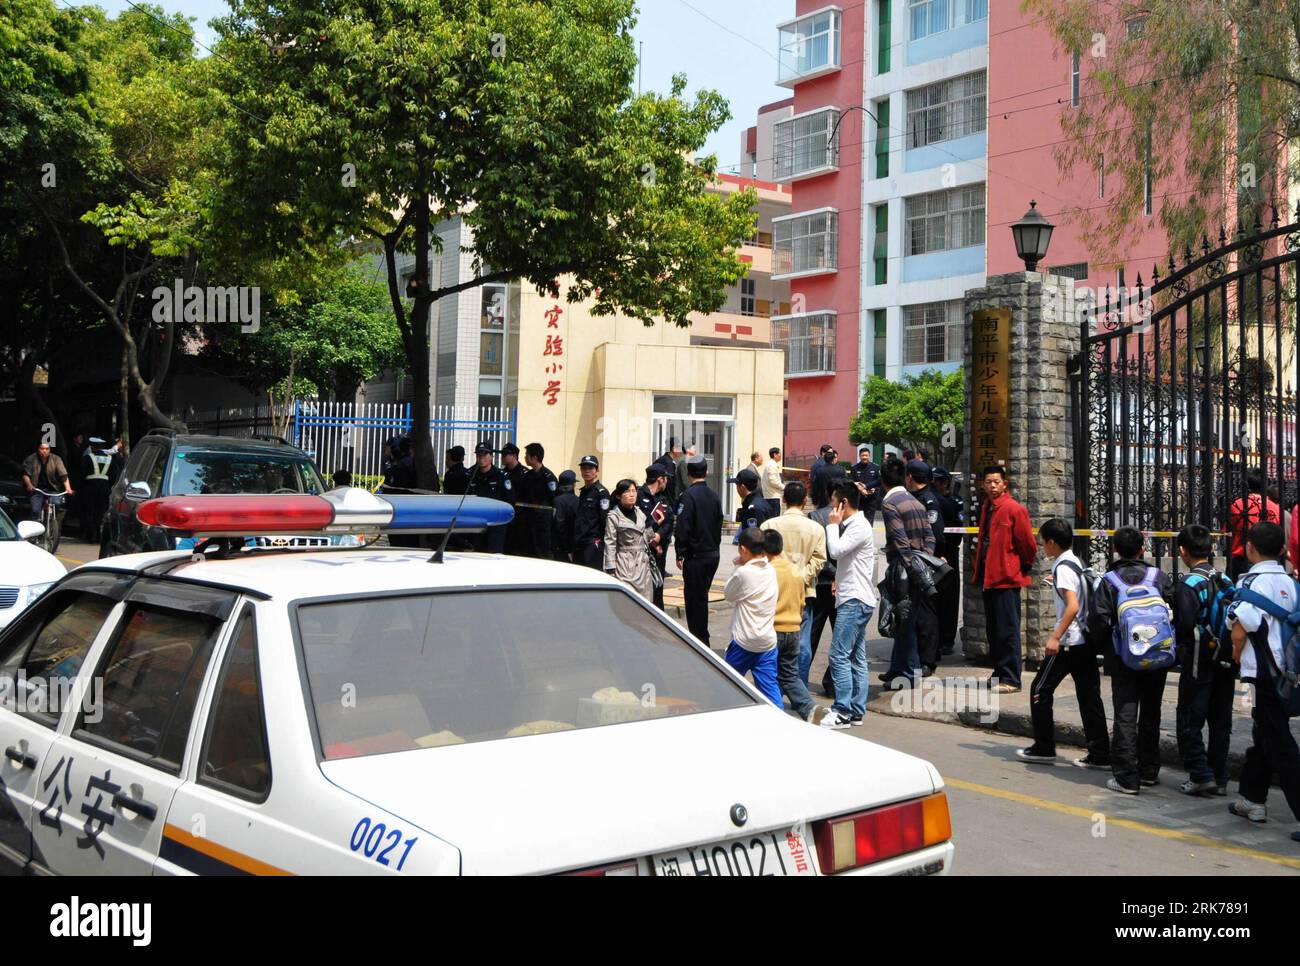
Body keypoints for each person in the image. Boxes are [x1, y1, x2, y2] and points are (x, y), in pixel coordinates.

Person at [1017, 518, 1111, 768]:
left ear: (1051, 542)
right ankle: (1100, 753)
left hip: (1070, 642)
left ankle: (1044, 747)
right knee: (1089, 696)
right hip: (1085, 641)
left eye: (1043, 542)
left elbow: (1073, 605)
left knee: (1039, 689)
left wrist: (1055, 637)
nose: (1042, 547)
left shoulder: (1063, 567)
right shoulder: (1075, 561)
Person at [1090, 526, 1175, 795]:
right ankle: (1149, 769)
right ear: (1143, 549)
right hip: (1158, 656)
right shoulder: (1157, 577)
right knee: (1151, 713)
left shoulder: (1109, 581)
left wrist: (1105, 649)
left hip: (1123, 658)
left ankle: (1127, 777)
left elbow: (1099, 622)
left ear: (1116, 549)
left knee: (1125, 715)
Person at [1227, 521, 1300, 836]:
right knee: (1266, 732)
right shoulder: (1292, 583)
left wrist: (1234, 652)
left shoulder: (1253, 582)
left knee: (1280, 743)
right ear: (1283, 550)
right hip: (1289, 673)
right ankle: (1252, 798)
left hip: (1262, 675)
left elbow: (1242, 626)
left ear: (1250, 549)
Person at [1174, 524, 1236, 796]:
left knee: (1190, 717)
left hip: (1199, 660)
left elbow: (1185, 625)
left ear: (1182, 551)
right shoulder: (1225, 579)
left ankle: (1200, 773)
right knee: (1220, 720)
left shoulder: (1188, 583)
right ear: (1210, 549)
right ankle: (1220, 777)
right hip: (1225, 658)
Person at [972, 465, 1037, 693]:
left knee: (1007, 630)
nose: (992, 486)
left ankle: (1011, 678)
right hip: (990, 578)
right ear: (983, 484)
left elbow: (1028, 545)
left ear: (1004, 484)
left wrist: (1019, 567)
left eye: (996, 482)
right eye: (988, 481)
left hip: (1007, 579)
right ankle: (1000, 671)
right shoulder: (987, 507)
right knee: (994, 630)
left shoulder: (1013, 509)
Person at [820, 481, 877, 729]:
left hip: (854, 600)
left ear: (844, 503)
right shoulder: (856, 525)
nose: (831, 507)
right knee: (855, 656)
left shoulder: (858, 526)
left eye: (834, 501)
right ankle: (855, 710)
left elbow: (835, 551)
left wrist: (832, 527)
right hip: (855, 596)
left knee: (839, 655)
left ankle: (842, 710)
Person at [761, 481, 827, 691]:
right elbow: (819, 560)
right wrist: (800, 577)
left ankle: (773, 688)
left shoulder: (769, 526)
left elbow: (761, 557)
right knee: (802, 642)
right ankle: (799, 686)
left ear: (783, 500)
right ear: (804, 501)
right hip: (803, 592)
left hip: (772, 590)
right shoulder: (816, 529)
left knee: (771, 640)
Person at [879, 458, 939, 688]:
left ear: (883, 480)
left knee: (903, 619)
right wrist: (924, 559)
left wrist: (913, 567)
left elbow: (900, 541)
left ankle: (908, 672)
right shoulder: (915, 501)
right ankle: (897, 668)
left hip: (903, 568)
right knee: (905, 617)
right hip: (917, 566)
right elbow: (930, 536)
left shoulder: (890, 503)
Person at [722, 526, 781, 706]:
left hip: (744, 641)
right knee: (770, 690)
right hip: (767, 642)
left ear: (743, 549)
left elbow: (729, 594)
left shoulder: (744, 572)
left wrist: (738, 565)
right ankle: (779, 720)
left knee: (727, 684)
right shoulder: (770, 570)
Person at [764, 529, 817, 721]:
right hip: (794, 629)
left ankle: (771, 712)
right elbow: (802, 601)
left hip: (774, 629)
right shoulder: (795, 569)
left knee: (768, 674)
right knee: (789, 675)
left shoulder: (768, 571)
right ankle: (811, 710)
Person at [675, 454, 723, 646]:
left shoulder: (687, 496)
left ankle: (699, 641)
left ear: (688, 474)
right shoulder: (714, 496)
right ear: (707, 472)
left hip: (696, 557)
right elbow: (719, 523)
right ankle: (701, 638)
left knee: (695, 601)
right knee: (702, 596)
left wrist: (680, 552)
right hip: (712, 554)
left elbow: (683, 527)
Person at [931, 467, 964, 656]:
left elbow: (957, 527)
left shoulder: (952, 502)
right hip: (934, 553)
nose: (933, 484)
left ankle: (947, 640)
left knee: (949, 599)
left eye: (936, 481)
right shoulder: (934, 500)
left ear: (944, 483)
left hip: (949, 553)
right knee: (934, 597)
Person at [604, 479, 654, 600]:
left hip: (642, 563)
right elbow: (610, 542)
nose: (632, 494)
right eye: (627, 491)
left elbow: (644, 537)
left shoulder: (641, 513)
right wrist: (610, 567)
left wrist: (654, 527)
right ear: (618, 496)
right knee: (626, 600)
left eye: (634, 491)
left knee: (645, 602)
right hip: (624, 563)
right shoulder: (613, 516)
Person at [1227, 467, 1280, 581]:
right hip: (1268, 559)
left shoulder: (1237, 505)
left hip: (1241, 558)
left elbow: (1227, 531)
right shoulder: (1274, 507)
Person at [807, 499, 838, 692]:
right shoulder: (848, 518)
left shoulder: (815, 516)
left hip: (819, 583)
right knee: (840, 638)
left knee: (810, 634)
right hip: (839, 584)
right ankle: (832, 682)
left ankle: (798, 678)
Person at [637, 466, 675, 609]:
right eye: (666, 479)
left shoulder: (663, 499)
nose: (667, 482)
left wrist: (659, 535)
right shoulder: (639, 496)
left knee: (658, 588)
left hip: (659, 553)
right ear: (660, 480)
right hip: (641, 552)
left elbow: (669, 521)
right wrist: (651, 536)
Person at [465, 442, 508, 553]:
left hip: (495, 525)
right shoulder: (471, 476)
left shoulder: (500, 476)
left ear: (491, 456)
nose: (481, 458)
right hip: (477, 524)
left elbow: (508, 501)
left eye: (484, 455)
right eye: (479, 455)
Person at [517, 442, 557, 559]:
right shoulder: (527, 476)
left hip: (543, 521)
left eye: (526, 455)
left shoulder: (548, 477)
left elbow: (553, 498)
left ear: (534, 458)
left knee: (543, 549)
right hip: (529, 520)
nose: (525, 458)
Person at [573, 454, 611, 569]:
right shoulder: (583, 491)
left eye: (590, 468)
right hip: (580, 541)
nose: (586, 471)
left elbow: (604, 520)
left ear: (597, 470)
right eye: (584, 468)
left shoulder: (602, 493)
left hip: (593, 543)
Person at [22, 440, 72, 521]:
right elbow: (26, 475)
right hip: (37, 489)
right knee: (35, 510)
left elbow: (63, 475)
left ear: (50, 449)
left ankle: (53, 523)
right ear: (38, 449)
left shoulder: (56, 459)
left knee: (57, 503)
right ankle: (35, 528)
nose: (44, 451)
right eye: (42, 448)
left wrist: (68, 488)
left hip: (52, 489)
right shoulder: (31, 459)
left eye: (47, 449)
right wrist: (29, 485)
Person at [81, 437, 113, 544]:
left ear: (92, 447)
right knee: (101, 511)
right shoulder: (110, 458)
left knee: (89, 510)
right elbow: (114, 475)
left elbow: (82, 473)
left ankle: (91, 534)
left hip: (90, 487)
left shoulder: (87, 457)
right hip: (104, 487)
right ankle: (99, 534)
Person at [499, 442, 527, 554]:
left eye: (505, 455)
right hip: (504, 517)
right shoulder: (502, 473)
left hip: (519, 518)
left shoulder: (524, 473)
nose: (502, 457)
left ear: (514, 456)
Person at [729, 468, 772, 539]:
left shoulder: (753, 508)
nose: (736, 489)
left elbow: (755, 537)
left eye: (737, 485)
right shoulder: (757, 501)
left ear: (742, 487)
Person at [551, 469, 579, 563]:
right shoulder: (578, 500)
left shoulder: (557, 500)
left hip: (559, 545)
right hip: (574, 544)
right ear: (573, 484)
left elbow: (558, 524)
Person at [850, 445, 882, 525]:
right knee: (858, 522)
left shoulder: (875, 467)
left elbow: (879, 482)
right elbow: (852, 483)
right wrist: (860, 490)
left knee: (869, 522)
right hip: (859, 500)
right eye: (862, 455)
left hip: (871, 499)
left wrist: (874, 488)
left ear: (869, 456)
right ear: (859, 456)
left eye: (866, 455)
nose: (864, 457)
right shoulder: (854, 468)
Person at [809, 445, 846, 509]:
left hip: (823, 501)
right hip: (837, 500)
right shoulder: (841, 469)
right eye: (830, 452)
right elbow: (845, 485)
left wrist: (815, 501)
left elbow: (814, 485)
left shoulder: (819, 469)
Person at [654, 439, 682, 504]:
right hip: (666, 499)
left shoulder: (662, 459)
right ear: (673, 448)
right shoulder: (668, 463)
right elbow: (669, 485)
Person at [760, 447, 785, 519]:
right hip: (773, 497)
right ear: (775, 455)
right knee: (774, 519)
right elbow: (773, 481)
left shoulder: (771, 464)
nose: (781, 456)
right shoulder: (772, 465)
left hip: (771, 496)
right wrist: (783, 487)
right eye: (780, 454)